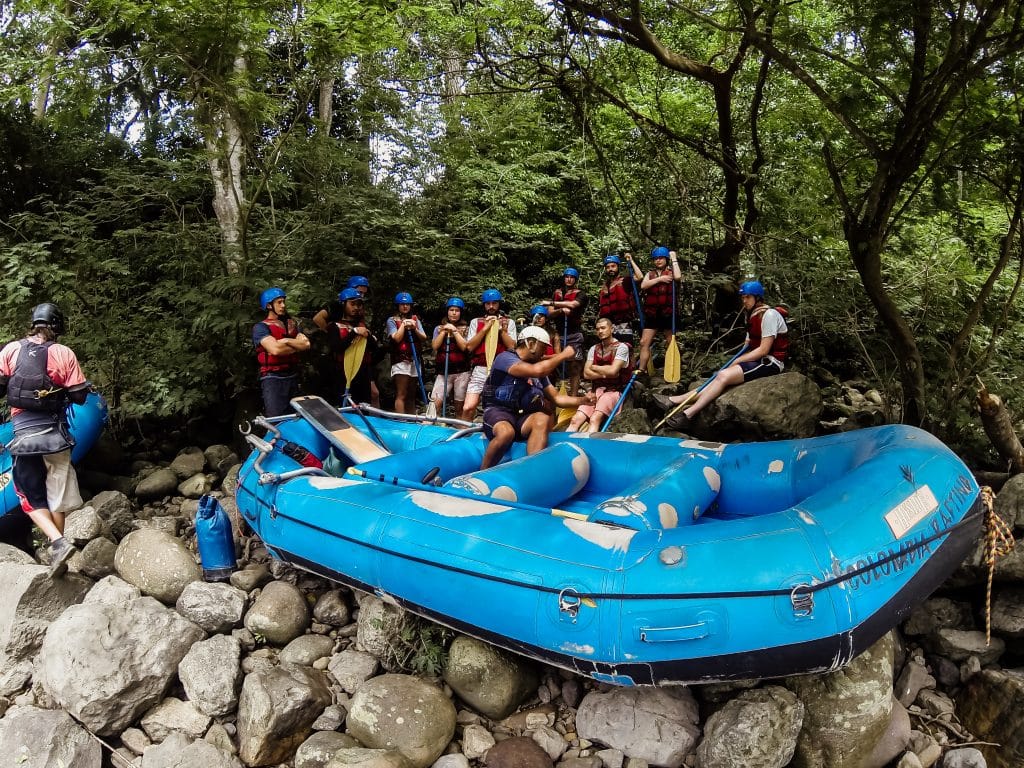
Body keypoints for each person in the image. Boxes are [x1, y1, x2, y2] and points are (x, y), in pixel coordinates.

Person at [0, 303, 91, 577]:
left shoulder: (10, 351)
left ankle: (58, 544)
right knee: (57, 495)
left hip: (24, 436)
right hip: (56, 436)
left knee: (27, 495)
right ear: (57, 327)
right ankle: (58, 548)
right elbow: (79, 397)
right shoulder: (64, 353)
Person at [654, 280, 789, 431]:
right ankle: (674, 400)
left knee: (724, 376)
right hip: (758, 360)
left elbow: (764, 349)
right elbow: (748, 345)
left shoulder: (769, 315)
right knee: (720, 375)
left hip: (771, 362)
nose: (744, 301)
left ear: (758, 298)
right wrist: (736, 359)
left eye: (748, 297)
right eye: (743, 297)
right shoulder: (751, 315)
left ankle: (688, 414)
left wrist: (737, 361)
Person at [480, 326, 595, 469]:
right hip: (497, 412)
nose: (545, 352)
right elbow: (537, 370)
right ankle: (482, 472)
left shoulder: (539, 373)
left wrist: (582, 400)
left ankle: (533, 468)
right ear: (531, 343)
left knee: (543, 417)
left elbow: (558, 399)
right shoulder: (505, 358)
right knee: (506, 433)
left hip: (519, 417)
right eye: (543, 347)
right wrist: (563, 355)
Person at [314, 276, 379, 407]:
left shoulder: (360, 319)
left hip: (362, 368)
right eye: (353, 303)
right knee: (345, 403)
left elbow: (374, 347)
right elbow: (336, 345)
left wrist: (367, 335)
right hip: (342, 369)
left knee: (369, 399)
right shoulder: (336, 313)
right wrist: (347, 332)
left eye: (361, 297)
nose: (356, 306)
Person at [252, 287, 310, 417]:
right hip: (273, 378)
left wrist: (284, 341)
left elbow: (306, 344)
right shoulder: (261, 327)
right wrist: (295, 345)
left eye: (283, 301)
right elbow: (276, 350)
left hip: (293, 375)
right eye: (279, 302)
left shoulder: (292, 324)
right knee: (277, 418)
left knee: (299, 417)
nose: (283, 305)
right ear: (269, 305)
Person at [461, 289, 517, 421]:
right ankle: (462, 434)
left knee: (499, 408)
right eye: (488, 304)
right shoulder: (476, 322)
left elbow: (513, 347)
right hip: (480, 368)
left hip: (501, 369)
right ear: (484, 305)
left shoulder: (509, 323)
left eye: (494, 303)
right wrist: (485, 328)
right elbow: (469, 347)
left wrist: (501, 331)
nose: (491, 307)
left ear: (499, 304)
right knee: (468, 407)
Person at [568, 318, 631, 433]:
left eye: (603, 328)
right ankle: (566, 447)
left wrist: (595, 367)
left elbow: (613, 371)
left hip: (614, 391)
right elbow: (586, 374)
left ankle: (590, 447)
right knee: (575, 420)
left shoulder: (622, 347)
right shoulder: (594, 348)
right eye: (597, 329)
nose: (600, 331)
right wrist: (604, 374)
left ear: (611, 329)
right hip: (596, 391)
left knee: (594, 419)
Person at [637, 246, 682, 375]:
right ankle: (641, 369)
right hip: (652, 313)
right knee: (644, 342)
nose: (658, 261)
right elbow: (644, 285)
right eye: (656, 259)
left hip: (668, 312)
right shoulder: (650, 274)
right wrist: (660, 279)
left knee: (670, 341)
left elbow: (678, 277)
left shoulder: (672, 271)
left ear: (666, 259)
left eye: (661, 258)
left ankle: (673, 369)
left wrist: (674, 258)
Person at [543, 267, 588, 396]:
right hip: (559, 334)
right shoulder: (557, 292)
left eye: (572, 277)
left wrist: (553, 303)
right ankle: (555, 393)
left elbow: (574, 304)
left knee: (575, 366)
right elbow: (550, 313)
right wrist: (561, 310)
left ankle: (573, 396)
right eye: (567, 277)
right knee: (557, 365)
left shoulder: (581, 294)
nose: (569, 279)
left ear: (575, 279)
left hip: (574, 334)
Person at [387, 292, 428, 414]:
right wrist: (404, 325)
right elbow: (397, 338)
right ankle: (401, 420)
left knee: (411, 394)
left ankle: (412, 419)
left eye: (407, 304)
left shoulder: (415, 319)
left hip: (414, 360)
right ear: (398, 306)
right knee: (402, 393)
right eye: (402, 304)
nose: (405, 307)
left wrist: (414, 328)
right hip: (401, 360)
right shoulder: (392, 320)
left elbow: (424, 337)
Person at [430, 297, 471, 417]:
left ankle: (461, 430)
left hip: (462, 371)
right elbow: (435, 346)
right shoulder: (438, 328)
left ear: (461, 313)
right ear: (447, 311)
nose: (454, 313)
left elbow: (465, 347)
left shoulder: (466, 329)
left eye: (457, 310)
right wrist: (443, 331)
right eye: (451, 310)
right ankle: (430, 428)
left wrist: (454, 331)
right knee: (435, 404)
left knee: (459, 407)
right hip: (444, 372)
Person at [597, 254, 642, 345]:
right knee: (609, 351)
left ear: (618, 267)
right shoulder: (604, 286)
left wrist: (631, 260)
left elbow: (639, 277)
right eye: (608, 267)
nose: (610, 269)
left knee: (626, 350)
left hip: (624, 323)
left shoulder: (625, 281)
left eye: (613, 266)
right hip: (608, 325)